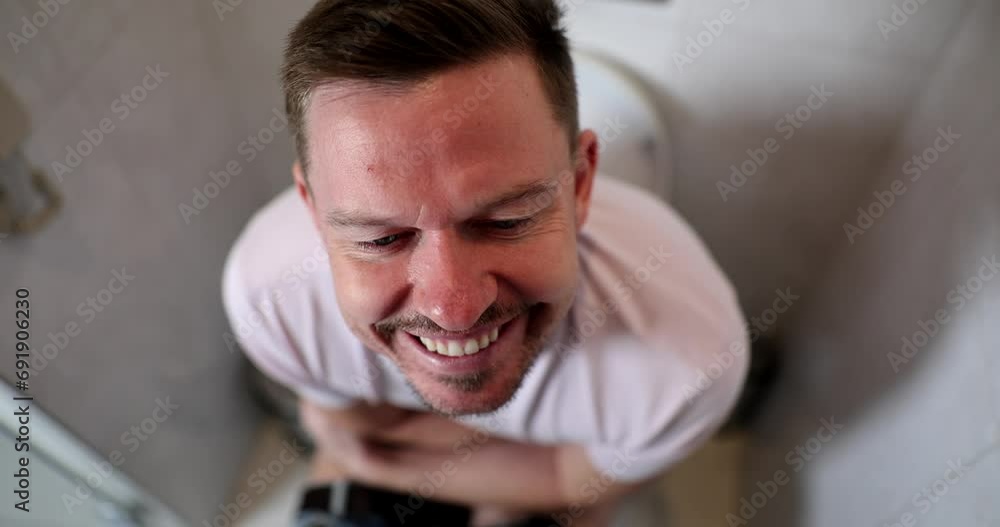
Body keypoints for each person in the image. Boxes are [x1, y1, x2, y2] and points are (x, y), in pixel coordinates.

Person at [222, 1, 749, 525]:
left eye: (507, 221)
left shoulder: (688, 362)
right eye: (383, 239)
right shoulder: (271, 297)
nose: (454, 310)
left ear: (581, 184)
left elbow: (576, 483)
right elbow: (345, 435)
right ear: (312, 209)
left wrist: (380, 464)